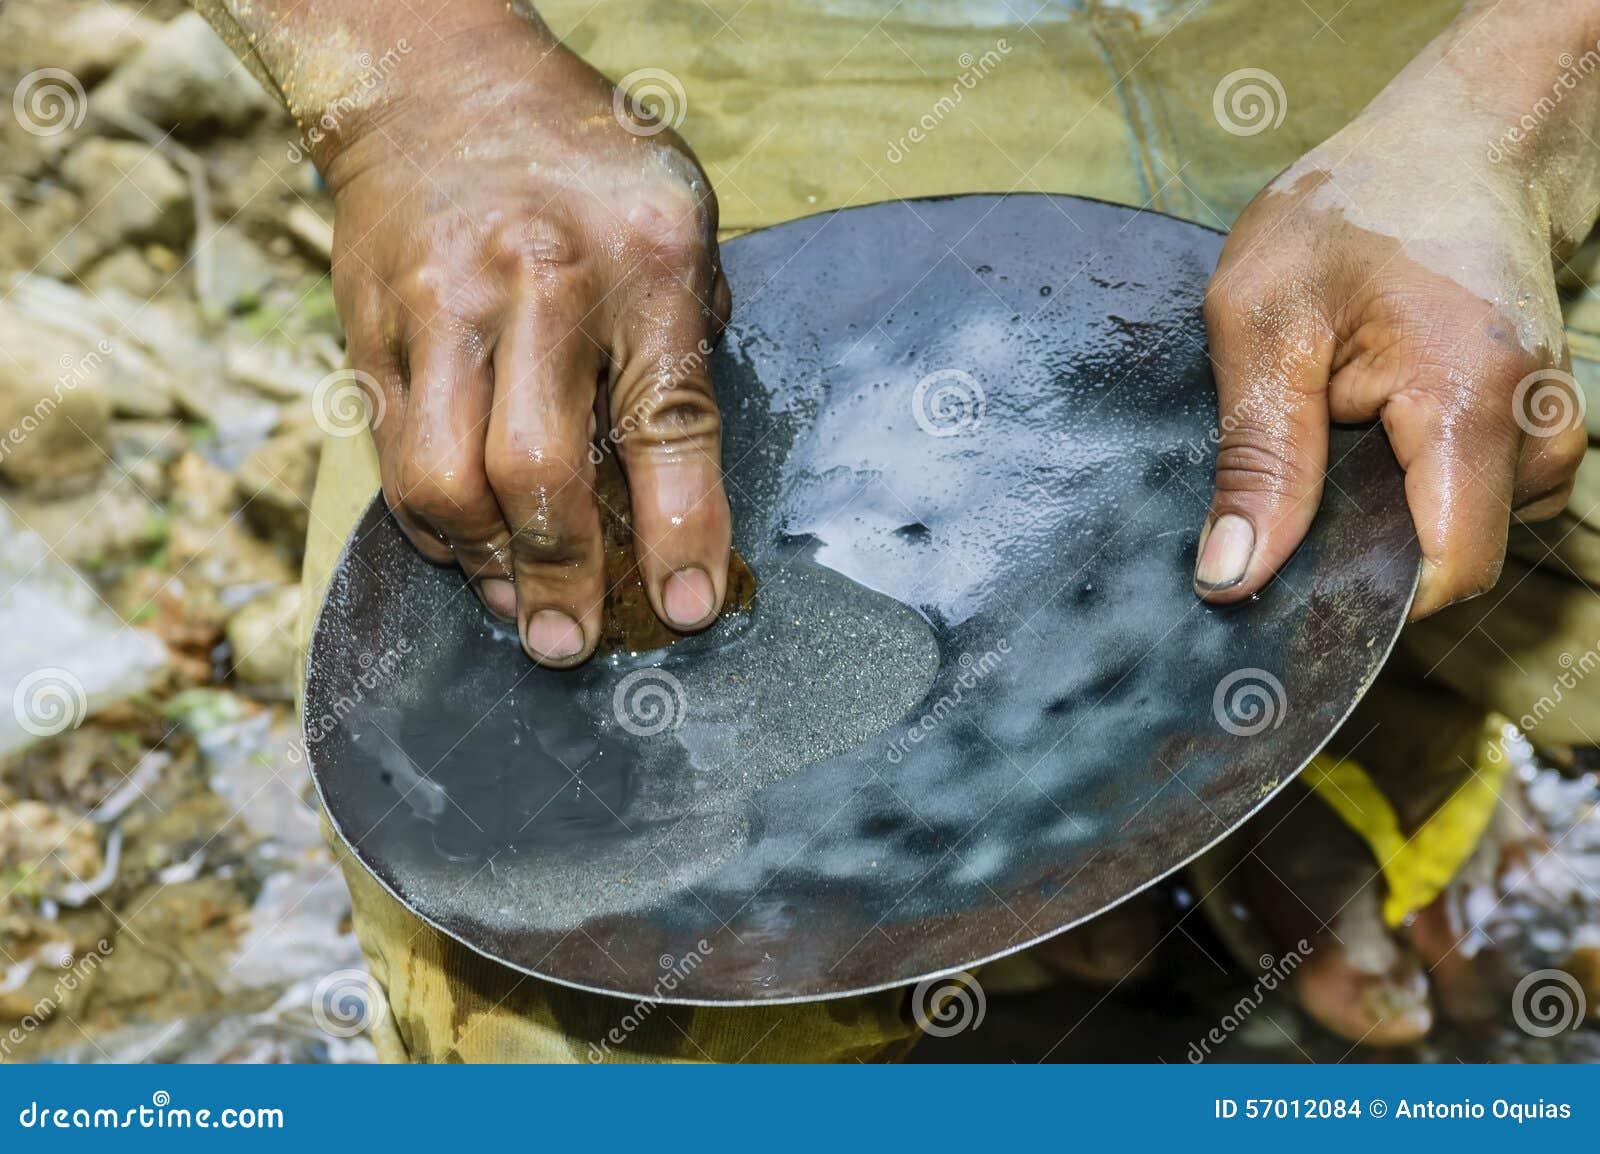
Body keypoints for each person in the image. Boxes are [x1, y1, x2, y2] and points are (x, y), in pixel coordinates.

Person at [194, 0, 1600, 1060]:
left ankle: (1348, 769)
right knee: (539, 955)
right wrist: (412, 83)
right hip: (735, 40)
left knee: (1473, 454)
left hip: (1424, 42)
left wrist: (1513, 117)